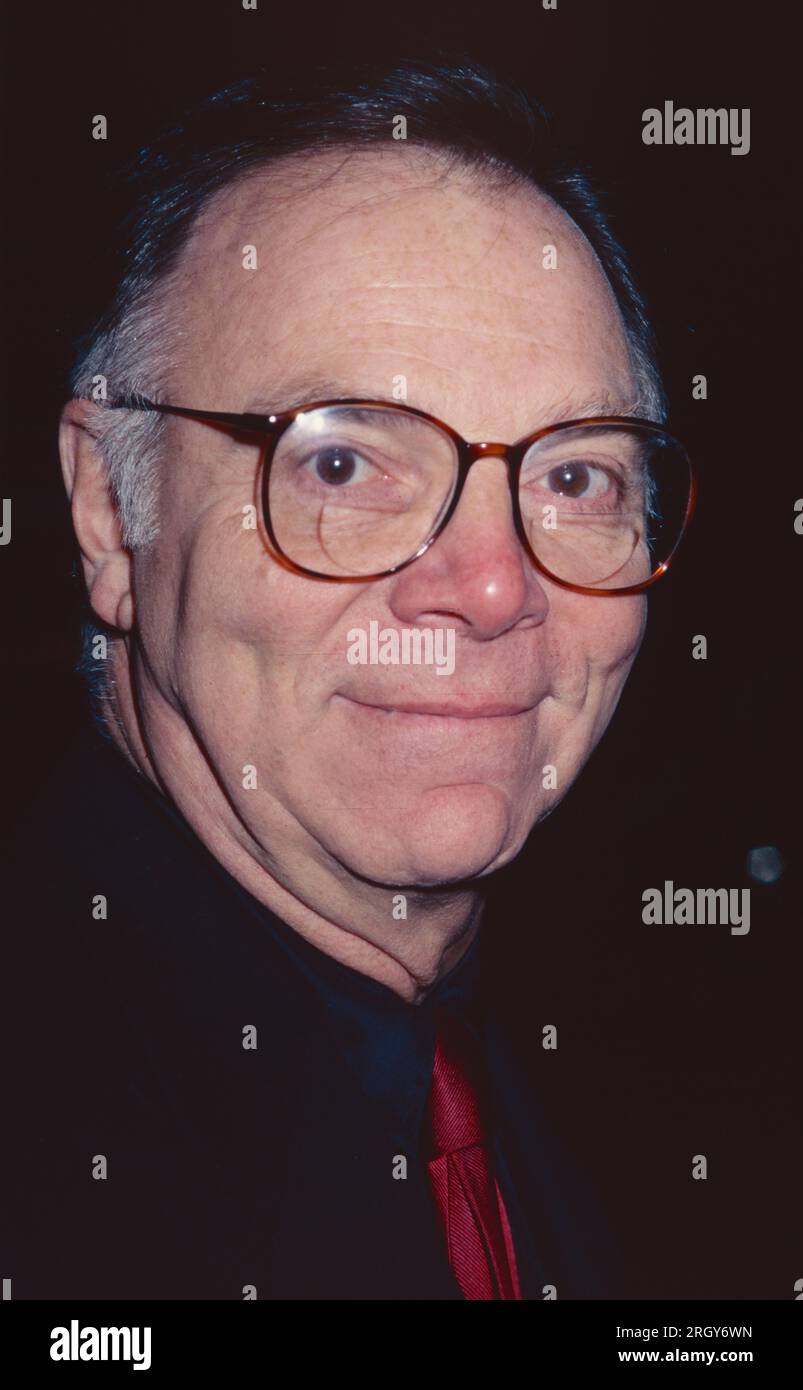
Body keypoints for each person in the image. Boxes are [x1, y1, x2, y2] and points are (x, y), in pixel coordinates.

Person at [4, 58, 696, 1299]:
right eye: (338, 466)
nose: (490, 588)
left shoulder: (584, 1112)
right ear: (111, 513)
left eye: (575, 477)